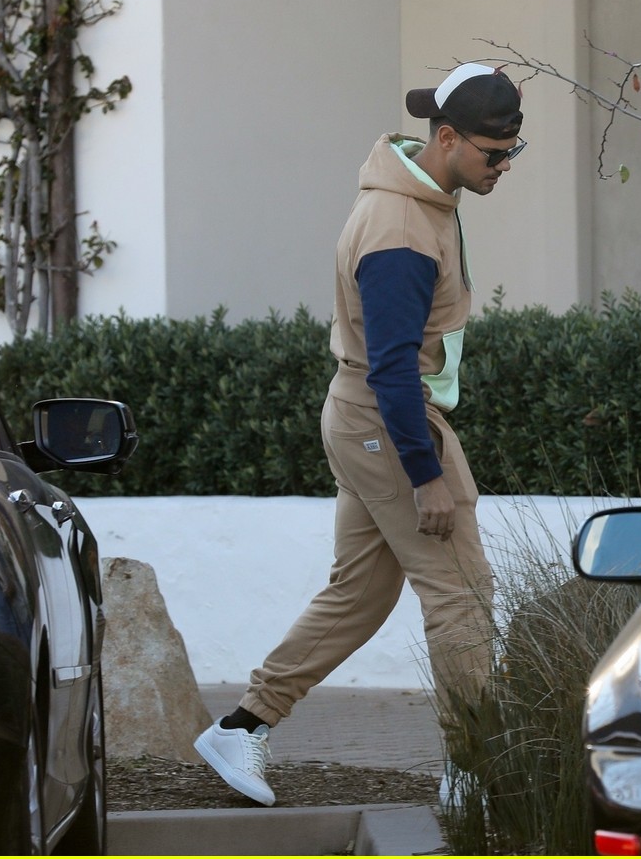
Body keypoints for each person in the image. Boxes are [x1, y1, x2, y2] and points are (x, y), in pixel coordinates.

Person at [193, 63, 526, 806]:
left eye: (514, 151)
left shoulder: (422, 192)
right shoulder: (401, 230)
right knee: (462, 592)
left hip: (367, 416)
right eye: (494, 153)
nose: (504, 167)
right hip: (389, 421)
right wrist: (425, 471)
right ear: (445, 138)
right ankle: (476, 771)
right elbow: (391, 367)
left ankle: (241, 724)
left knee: (360, 594)